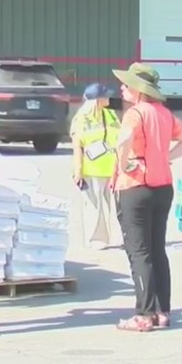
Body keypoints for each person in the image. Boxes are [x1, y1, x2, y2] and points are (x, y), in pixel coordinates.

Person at [111, 63, 182, 332]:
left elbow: (122, 140)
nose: (122, 88)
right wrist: (166, 157)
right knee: (157, 250)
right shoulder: (164, 114)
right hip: (162, 187)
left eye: (126, 85)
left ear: (138, 90)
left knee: (139, 252)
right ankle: (162, 310)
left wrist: (124, 163)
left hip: (136, 187)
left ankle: (144, 314)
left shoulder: (135, 114)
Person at [70, 82, 122, 250]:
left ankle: (113, 238)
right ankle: (96, 240)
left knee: (112, 206)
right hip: (91, 170)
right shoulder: (81, 119)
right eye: (105, 95)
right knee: (94, 206)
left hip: (111, 169)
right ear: (96, 100)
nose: (108, 98)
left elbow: (119, 139)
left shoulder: (111, 115)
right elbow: (77, 147)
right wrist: (78, 172)